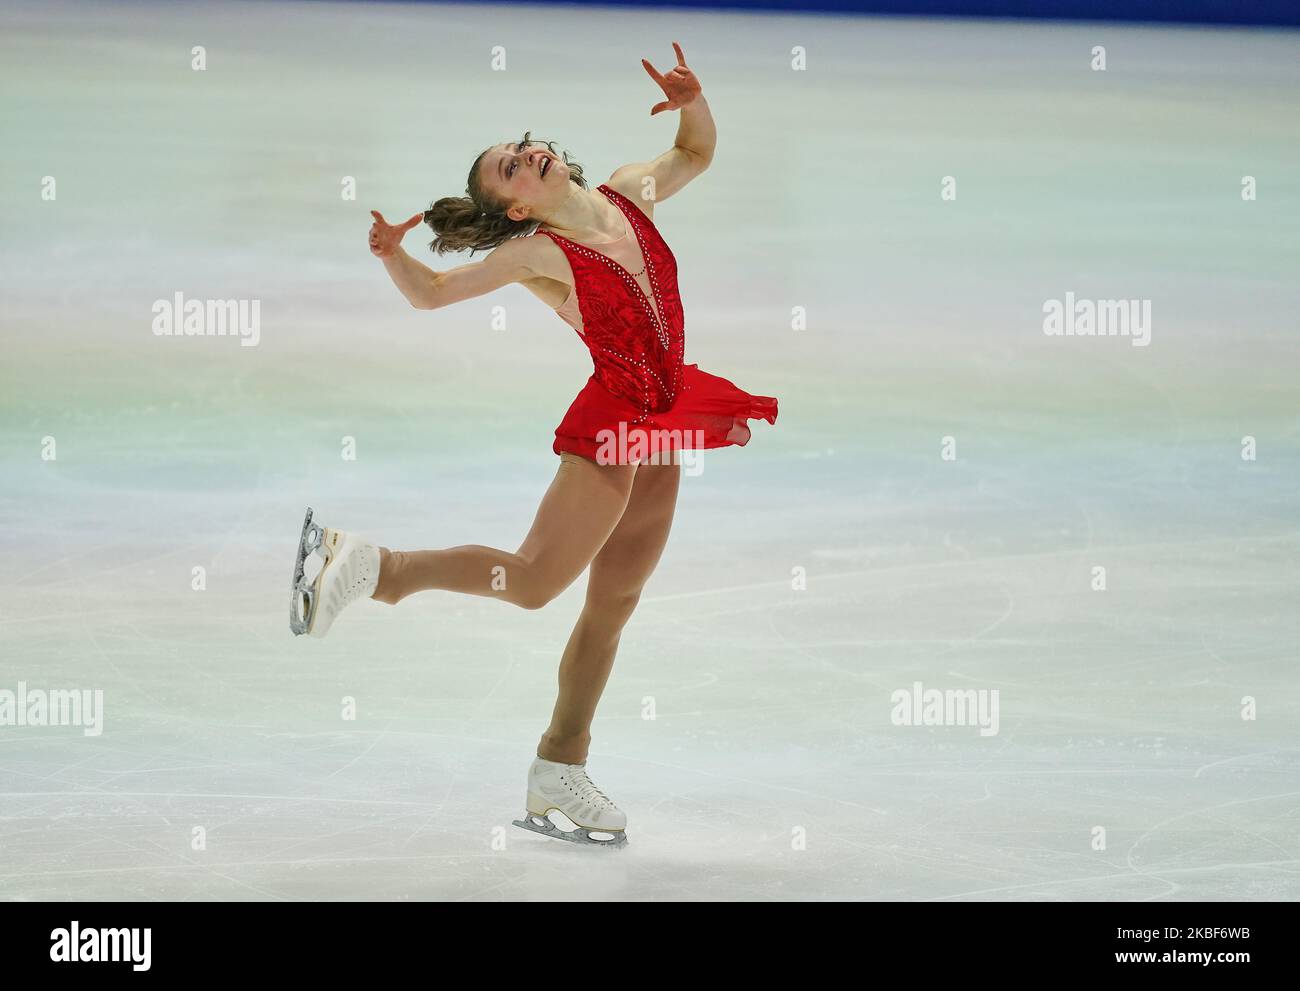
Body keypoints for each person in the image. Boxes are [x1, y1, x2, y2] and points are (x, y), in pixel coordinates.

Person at [288, 43, 778, 847]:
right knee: (531, 583)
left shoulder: (630, 191)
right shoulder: (541, 252)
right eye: (510, 171)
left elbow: (697, 150)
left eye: (520, 150)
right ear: (516, 209)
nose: (526, 159)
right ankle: (365, 566)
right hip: (613, 421)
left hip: (665, 416)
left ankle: (561, 765)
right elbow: (437, 293)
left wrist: (693, 100)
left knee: (615, 601)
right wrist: (394, 257)